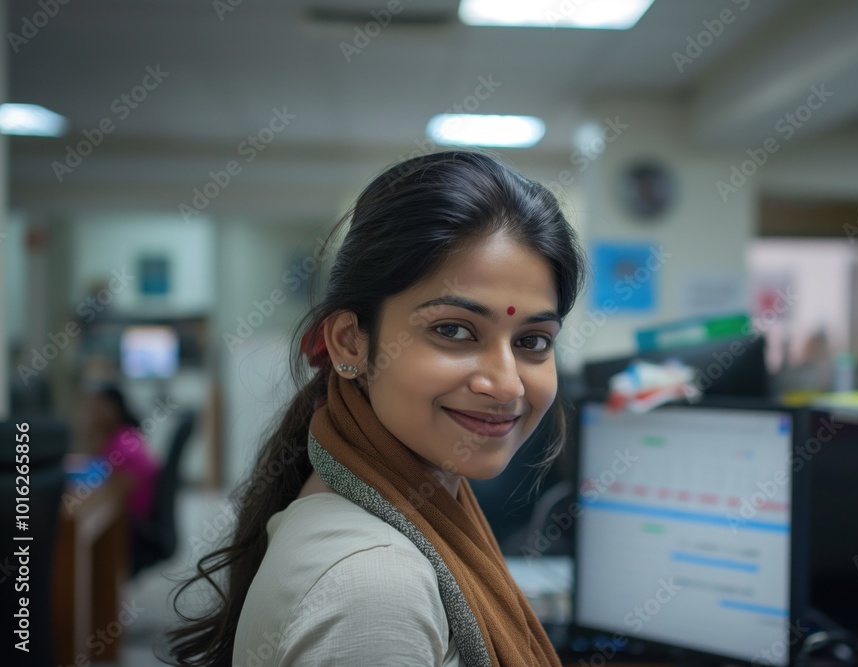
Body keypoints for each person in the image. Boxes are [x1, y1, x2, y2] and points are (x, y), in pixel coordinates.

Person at [167, 151, 586, 666]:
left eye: (534, 341)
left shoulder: (369, 510)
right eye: (453, 330)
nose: (505, 385)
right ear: (348, 343)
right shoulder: (376, 587)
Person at [84, 385, 160, 522]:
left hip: (135, 521)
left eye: (97, 409)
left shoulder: (123, 447)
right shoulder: (122, 436)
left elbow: (113, 494)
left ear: (114, 409)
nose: (91, 416)